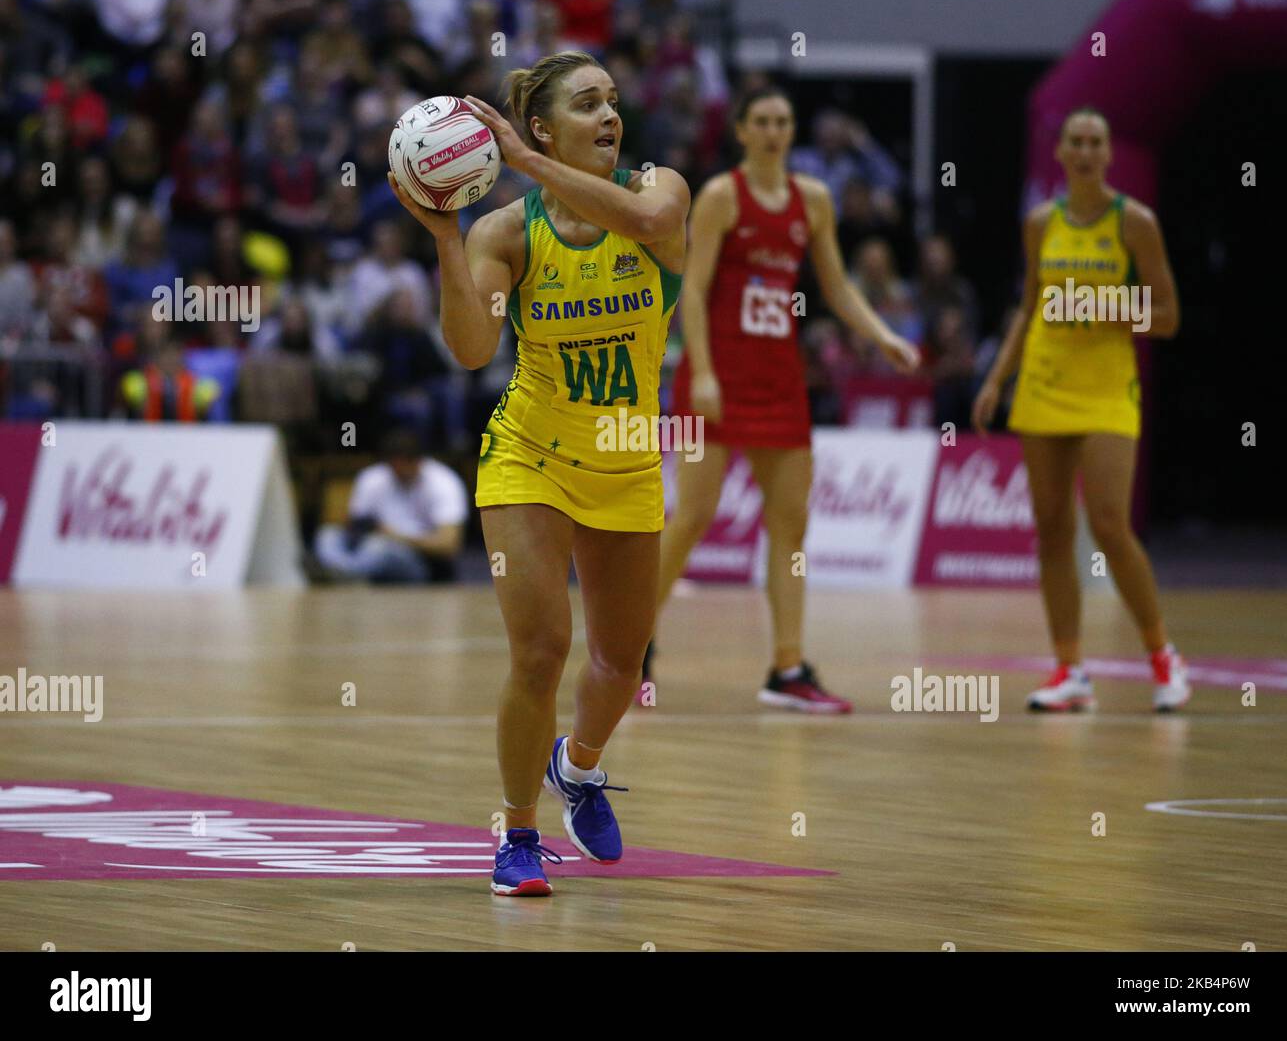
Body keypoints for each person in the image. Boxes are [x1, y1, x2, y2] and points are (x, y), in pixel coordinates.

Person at [388, 50, 689, 896]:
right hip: (530, 455)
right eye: (588, 104)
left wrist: (520, 162)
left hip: (627, 459)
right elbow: (473, 349)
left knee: (621, 662)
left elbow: (644, 216)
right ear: (546, 127)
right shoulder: (508, 232)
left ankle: (578, 767)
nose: (611, 116)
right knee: (542, 649)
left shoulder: (661, 190)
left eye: (614, 102)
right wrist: (448, 236)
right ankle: (517, 836)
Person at [651, 87, 920, 712]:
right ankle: (633, 641)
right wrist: (705, 373)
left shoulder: (814, 200)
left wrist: (883, 337)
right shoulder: (722, 196)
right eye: (763, 122)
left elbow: (836, 286)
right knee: (690, 520)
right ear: (743, 131)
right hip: (716, 378)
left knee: (790, 527)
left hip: (779, 381)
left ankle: (787, 668)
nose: (775, 131)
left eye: (784, 122)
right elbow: (692, 291)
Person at [972, 107, 1190, 713]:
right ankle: (1070, 670)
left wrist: (1107, 309)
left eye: (1097, 141)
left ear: (1109, 154)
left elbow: (1169, 317)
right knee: (1051, 531)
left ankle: (1163, 655)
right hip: (1043, 382)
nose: (1088, 151)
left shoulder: (1134, 221)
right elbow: (1029, 307)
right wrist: (996, 378)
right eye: (1077, 142)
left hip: (1105, 389)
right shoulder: (1041, 222)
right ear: (1061, 154)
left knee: (1111, 526)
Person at [314, 429, 466, 584]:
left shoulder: (443, 482)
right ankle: (344, 572)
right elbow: (355, 523)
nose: (398, 471)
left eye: (403, 466)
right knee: (327, 535)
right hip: (368, 547)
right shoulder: (372, 478)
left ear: (418, 461)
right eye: (393, 466)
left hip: (420, 559)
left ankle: (341, 573)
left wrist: (396, 536)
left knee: (379, 548)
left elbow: (449, 544)